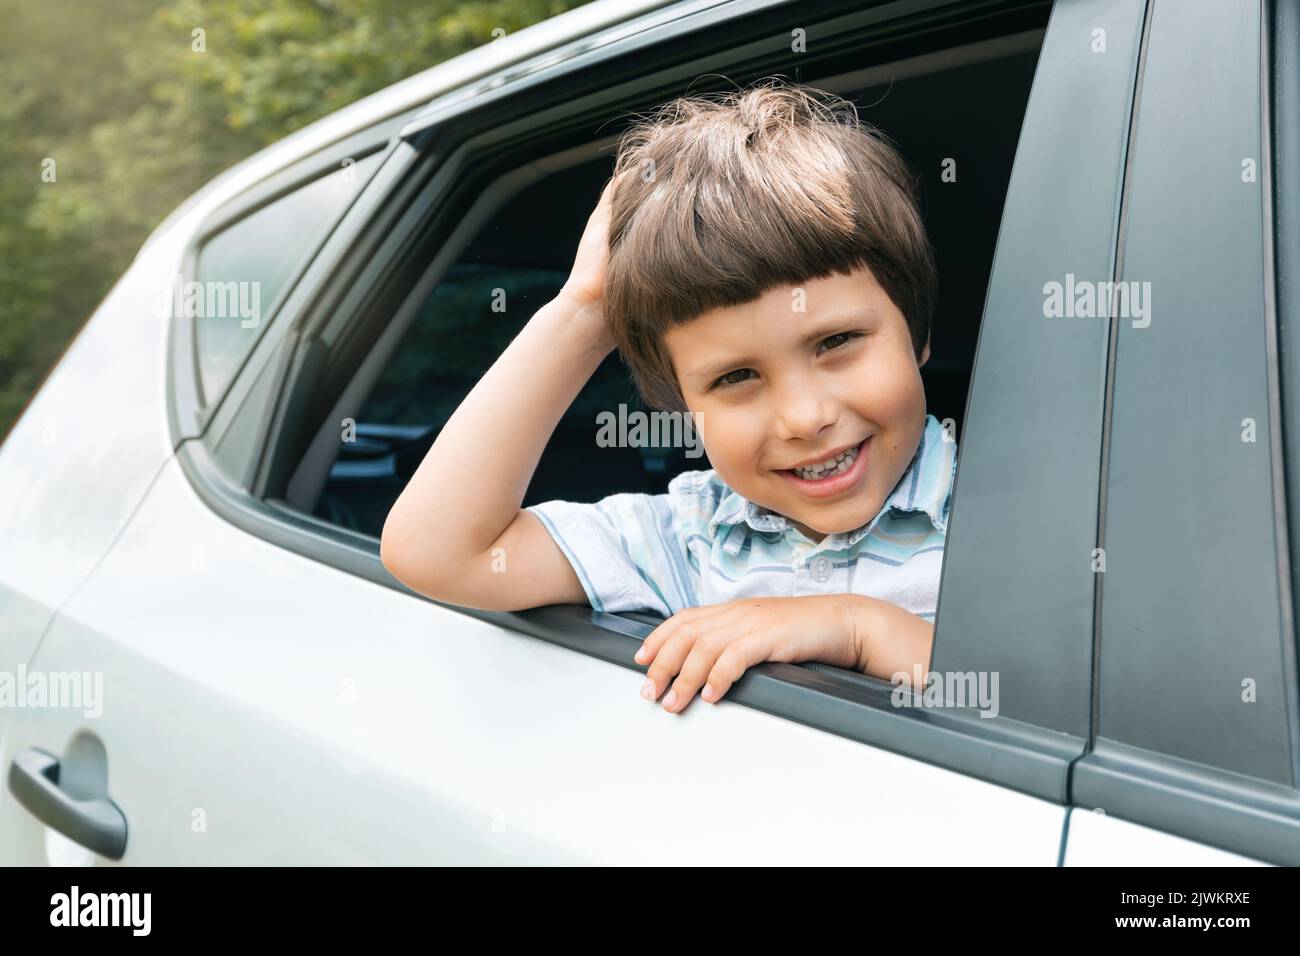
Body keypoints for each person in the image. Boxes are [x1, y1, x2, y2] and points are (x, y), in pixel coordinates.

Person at [381, 79, 956, 714]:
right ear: (683, 404)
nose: (805, 417)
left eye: (837, 341)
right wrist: (581, 313)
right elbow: (439, 553)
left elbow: (1063, 709)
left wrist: (858, 628)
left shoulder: (1026, 507)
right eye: (735, 378)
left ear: (919, 332)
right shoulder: (690, 538)